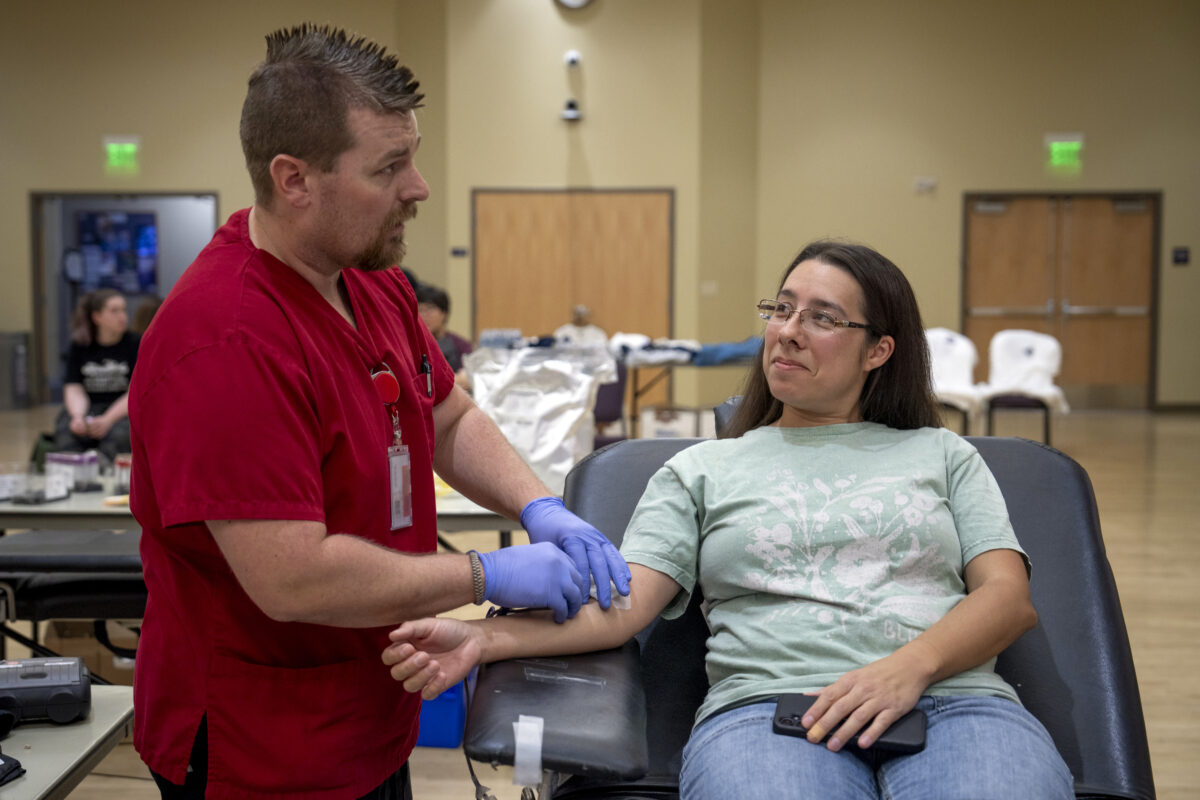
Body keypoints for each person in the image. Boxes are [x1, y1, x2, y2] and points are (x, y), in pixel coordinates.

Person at [128, 24, 629, 800]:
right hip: (259, 741)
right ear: (294, 179)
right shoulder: (224, 339)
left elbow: (450, 417)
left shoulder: (371, 280)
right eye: (389, 167)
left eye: (413, 157)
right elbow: (290, 580)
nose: (419, 187)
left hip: (366, 703)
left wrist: (539, 503)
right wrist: (484, 571)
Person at [383, 240, 1076, 799]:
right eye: (782, 309)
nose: (789, 332)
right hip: (773, 713)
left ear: (879, 350)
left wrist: (908, 669)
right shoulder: (702, 470)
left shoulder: (943, 454)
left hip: (954, 702)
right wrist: (480, 641)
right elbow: (624, 608)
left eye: (823, 318)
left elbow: (1007, 600)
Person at [55, 288, 137, 461]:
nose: (122, 316)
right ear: (97, 317)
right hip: (89, 407)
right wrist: (78, 417)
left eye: (123, 310)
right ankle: (72, 471)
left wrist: (108, 419)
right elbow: (73, 386)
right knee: (65, 428)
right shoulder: (79, 345)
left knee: (121, 434)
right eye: (114, 311)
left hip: (121, 409)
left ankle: (100, 470)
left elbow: (135, 391)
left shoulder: (135, 343)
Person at [415, 282, 473, 389]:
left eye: (430, 309)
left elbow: (467, 380)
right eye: (420, 310)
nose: (424, 315)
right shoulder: (412, 344)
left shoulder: (460, 345)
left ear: (444, 313)